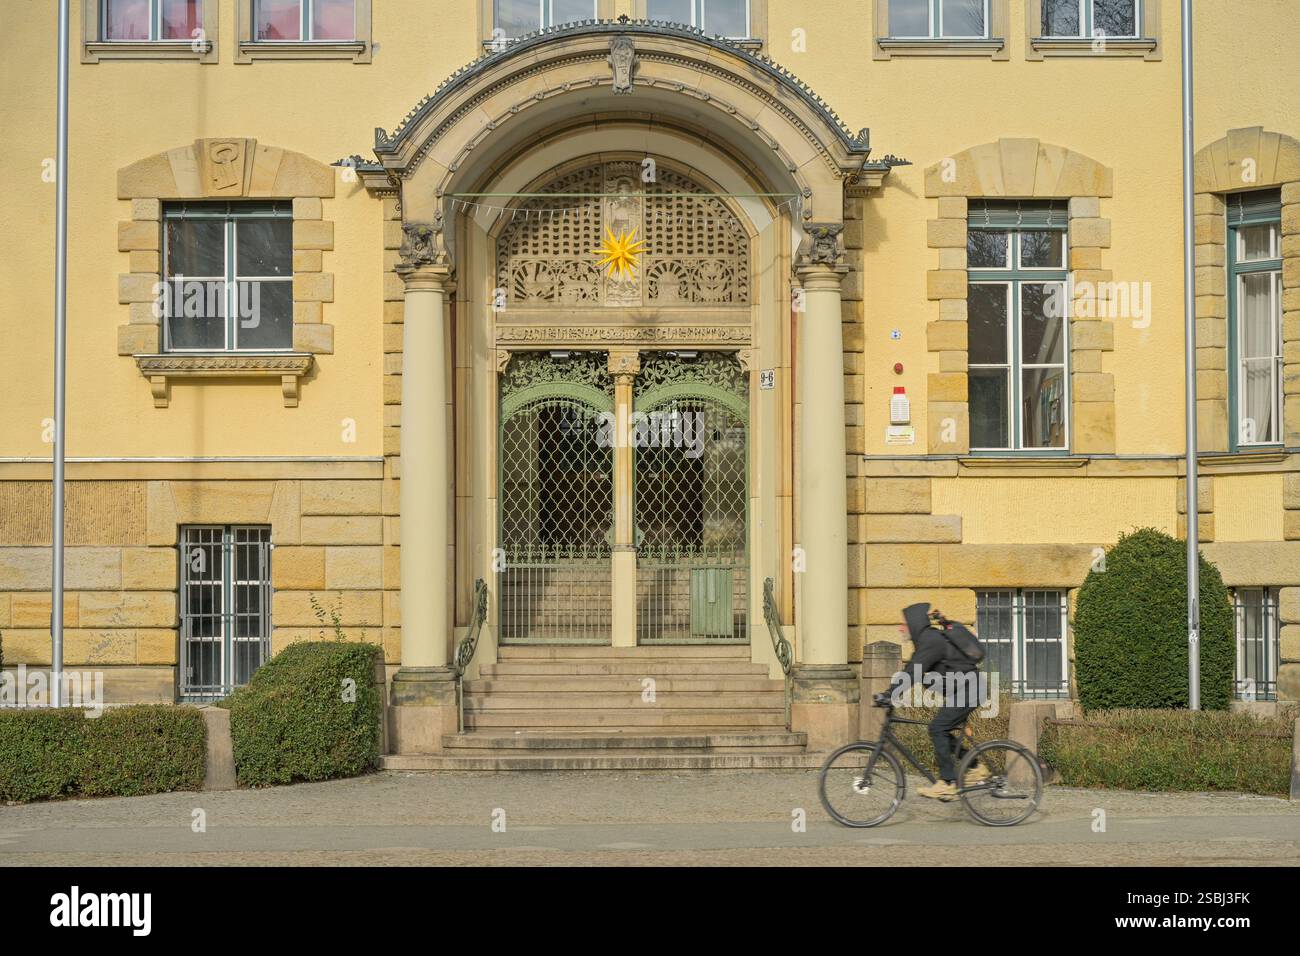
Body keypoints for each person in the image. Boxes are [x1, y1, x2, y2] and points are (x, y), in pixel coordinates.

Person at [890, 602, 987, 801]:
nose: (900, 628)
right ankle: (975, 766)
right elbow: (914, 671)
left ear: (914, 624)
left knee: (937, 728)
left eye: (904, 624)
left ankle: (947, 783)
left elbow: (912, 672)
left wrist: (888, 694)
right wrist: (890, 693)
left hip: (970, 690)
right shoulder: (926, 641)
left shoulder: (930, 641)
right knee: (940, 730)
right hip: (966, 689)